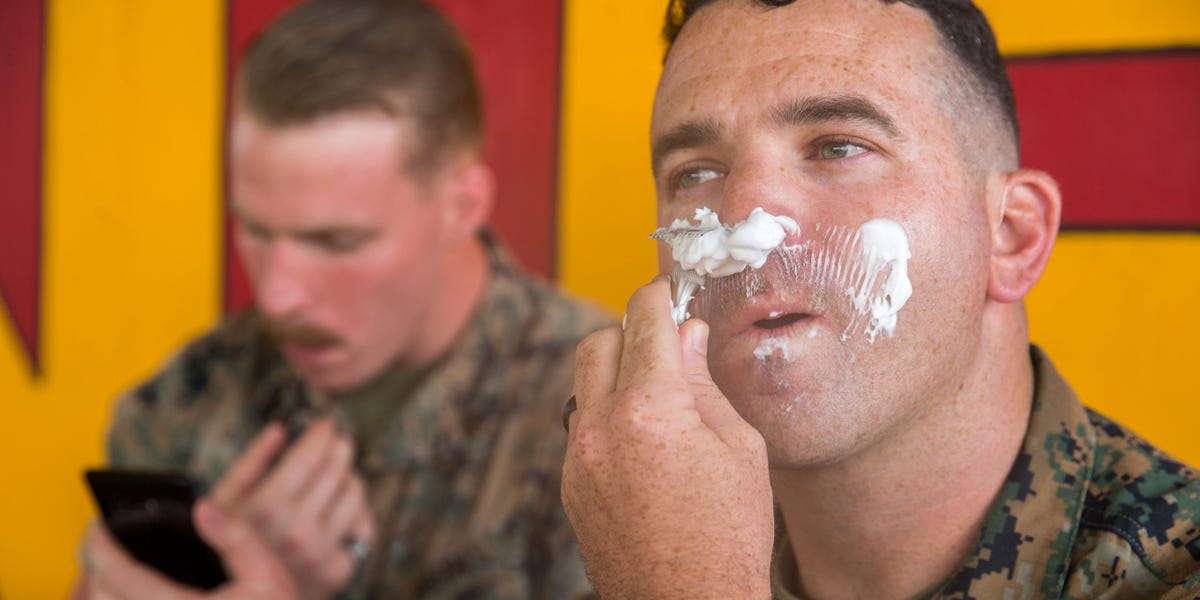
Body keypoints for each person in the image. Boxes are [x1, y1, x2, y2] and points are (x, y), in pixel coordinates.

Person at [560, 0, 1200, 598]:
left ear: (1010, 237)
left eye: (839, 147)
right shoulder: (643, 544)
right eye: (696, 172)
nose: (742, 219)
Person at [77, 0, 610, 598]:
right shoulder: (186, 401)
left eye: (336, 241)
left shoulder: (605, 421)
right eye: (255, 229)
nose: (279, 298)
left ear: (461, 206)